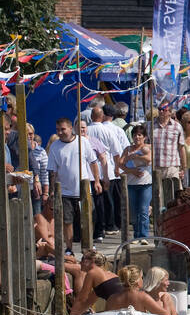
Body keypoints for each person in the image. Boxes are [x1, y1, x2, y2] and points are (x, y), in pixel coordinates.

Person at [46, 118, 102, 248]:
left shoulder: (83, 142)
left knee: (87, 218)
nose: (60, 132)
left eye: (63, 129)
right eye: (58, 130)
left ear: (71, 129)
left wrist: (97, 181)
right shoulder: (55, 146)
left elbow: (93, 162)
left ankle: (88, 244)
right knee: (67, 221)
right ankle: (69, 248)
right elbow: (52, 171)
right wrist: (52, 191)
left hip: (83, 189)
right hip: (65, 191)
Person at [86, 105, 126, 235]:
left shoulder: (86, 131)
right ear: (101, 116)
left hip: (89, 171)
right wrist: (117, 168)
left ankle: (97, 227)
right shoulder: (109, 131)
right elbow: (116, 152)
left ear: (91, 117)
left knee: (94, 201)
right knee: (108, 201)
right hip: (106, 169)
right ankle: (109, 225)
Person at [118, 125, 153, 244]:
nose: (137, 137)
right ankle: (136, 235)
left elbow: (149, 159)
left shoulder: (147, 148)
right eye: (135, 135)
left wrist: (135, 156)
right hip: (131, 183)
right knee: (133, 211)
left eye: (139, 135)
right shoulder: (128, 148)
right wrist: (131, 171)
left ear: (144, 137)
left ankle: (143, 235)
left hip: (145, 183)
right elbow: (121, 163)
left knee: (143, 209)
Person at [67, 250, 125, 315]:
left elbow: (81, 298)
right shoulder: (107, 274)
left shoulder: (92, 273)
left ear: (89, 261)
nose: (80, 263)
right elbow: (89, 301)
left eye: (82, 260)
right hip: (124, 307)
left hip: (118, 310)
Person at [105, 265, 174, 315]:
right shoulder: (142, 296)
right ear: (137, 281)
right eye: (141, 278)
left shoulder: (112, 298)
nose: (143, 280)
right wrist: (165, 300)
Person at [150, 101, 186, 182]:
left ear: (170, 112)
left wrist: (183, 168)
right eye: (160, 109)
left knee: (173, 193)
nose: (161, 111)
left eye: (164, 109)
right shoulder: (150, 125)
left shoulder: (177, 127)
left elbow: (181, 148)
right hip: (154, 167)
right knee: (156, 194)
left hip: (172, 167)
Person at [26, 124, 50, 222]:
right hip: (22, 188)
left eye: (31, 133)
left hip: (36, 189)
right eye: (26, 134)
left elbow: (45, 173)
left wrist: (45, 193)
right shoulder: (18, 149)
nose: (29, 136)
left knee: (37, 217)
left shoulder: (41, 151)